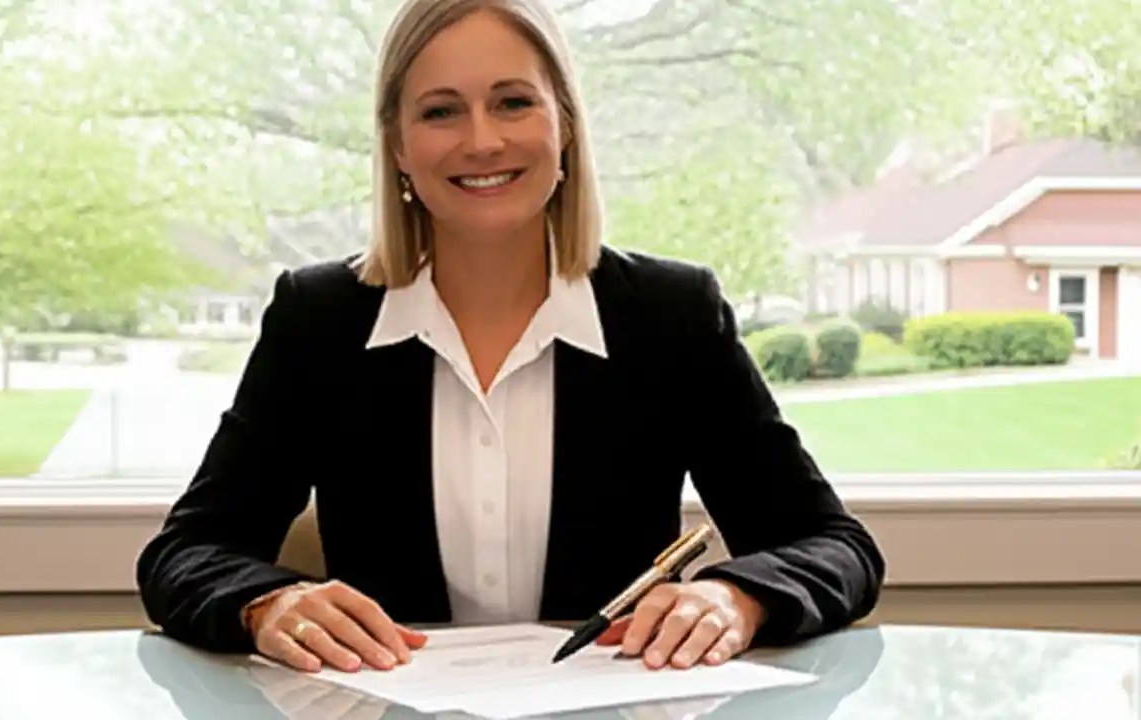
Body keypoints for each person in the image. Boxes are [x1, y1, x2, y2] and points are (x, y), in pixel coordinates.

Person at [136, 0, 885, 676]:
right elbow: (185, 554)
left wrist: (736, 598)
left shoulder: (670, 315)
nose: (482, 140)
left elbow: (835, 547)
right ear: (397, 145)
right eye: (440, 112)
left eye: (513, 102)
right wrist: (266, 605)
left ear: (565, 126)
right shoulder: (320, 319)